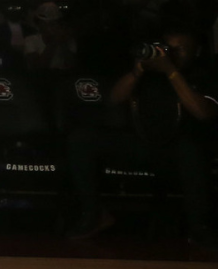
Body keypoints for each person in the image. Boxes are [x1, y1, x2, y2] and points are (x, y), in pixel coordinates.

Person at [67, 25, 217, 244]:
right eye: (169, 48)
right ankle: (94, 215)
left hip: (181, 151)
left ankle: (199, 227)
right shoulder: (149, 74)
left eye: (181, 49)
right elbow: (113, 99)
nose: (173, 54)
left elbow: (202, 113)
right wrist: (138, 70)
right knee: (82, 139)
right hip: (143, 144)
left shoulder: (205, 75)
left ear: (197, 51)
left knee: (190, 151)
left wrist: (171, 72)